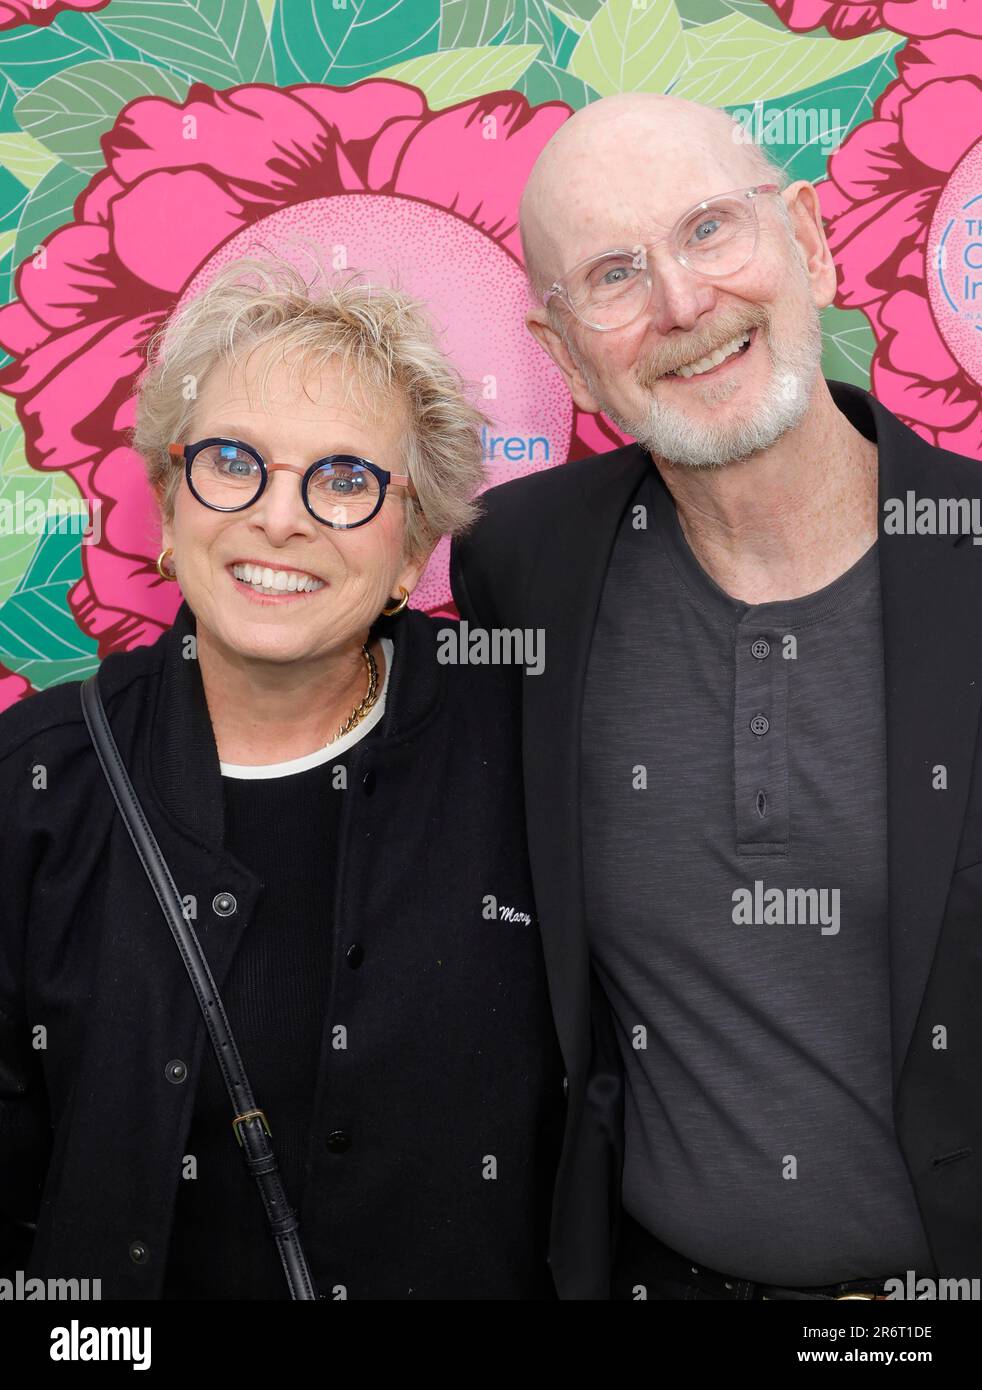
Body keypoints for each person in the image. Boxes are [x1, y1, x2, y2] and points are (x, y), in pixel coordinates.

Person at [451, 93, 982, 1301]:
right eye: (615, 274)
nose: (682, 304)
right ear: (565, 351)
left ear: (807, 241)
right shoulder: (520, 566)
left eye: (707, 231)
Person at [0, 255, 572, 1301]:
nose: (280, 517)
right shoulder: (37, 779)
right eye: (232, 461)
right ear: (170, 510)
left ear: (413, 555)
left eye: (346, 480)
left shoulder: (532, 750)